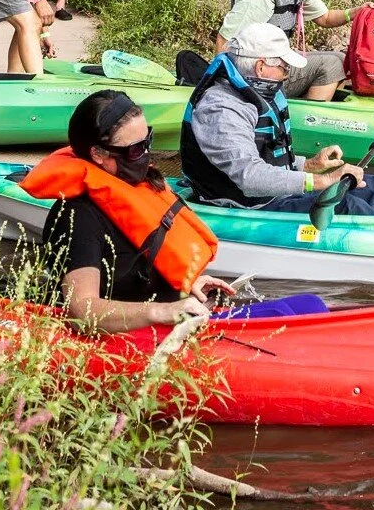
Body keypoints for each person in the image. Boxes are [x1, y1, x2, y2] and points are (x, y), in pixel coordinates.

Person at [22, 91, 229, 332]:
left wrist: (185, 287)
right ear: (98, 154)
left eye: (147, 140)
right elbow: (81, 309)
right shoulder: (77, 217)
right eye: (135, 149)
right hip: (122, 339)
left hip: (164, 322)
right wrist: (161, 311)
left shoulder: (141, 187)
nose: (146, 154)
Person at [181, 24, 374, 215]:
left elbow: (268, 155)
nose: (287, 73)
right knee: (346, 204)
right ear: (261, 67)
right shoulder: (222, 109)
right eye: (283, 67)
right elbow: (249, 176)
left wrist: (309, 165)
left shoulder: (256, 92)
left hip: (273, 195)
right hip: (248, 206)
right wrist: (322, 181)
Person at [217, 0, 367, 102]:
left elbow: (325, 18)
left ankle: (312, 99)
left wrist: (355, 12)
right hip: (257, 73)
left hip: (277, 58)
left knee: (342, 59)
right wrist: (225, 87)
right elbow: (225, 40)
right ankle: (310, 118)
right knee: (331, 65)